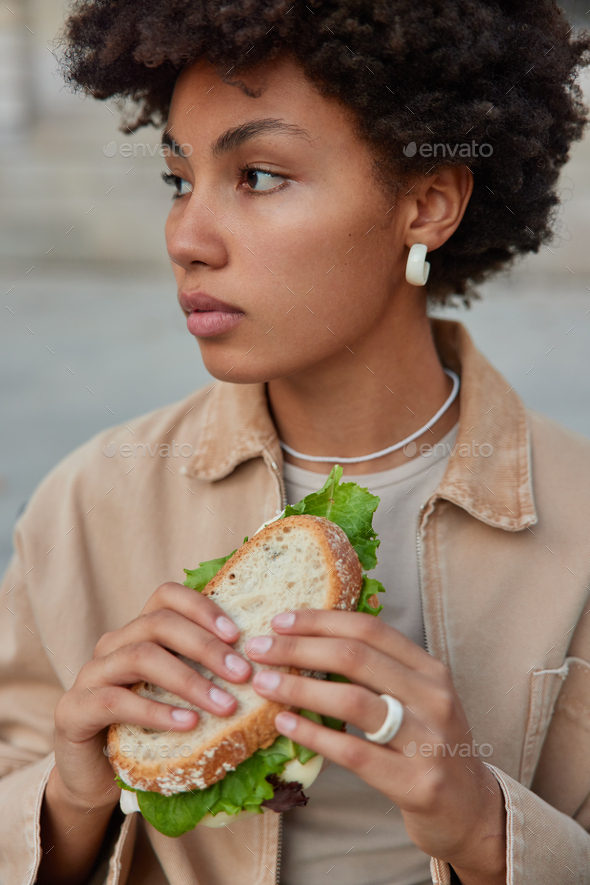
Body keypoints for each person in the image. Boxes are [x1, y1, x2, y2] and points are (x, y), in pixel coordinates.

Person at [2, 2, 590, 883]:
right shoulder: (88, 501)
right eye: (178, 180)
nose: (187, 238)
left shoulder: (580, 518)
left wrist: (485, 829)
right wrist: (73, 796)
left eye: (261, 175)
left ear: (427, 203)